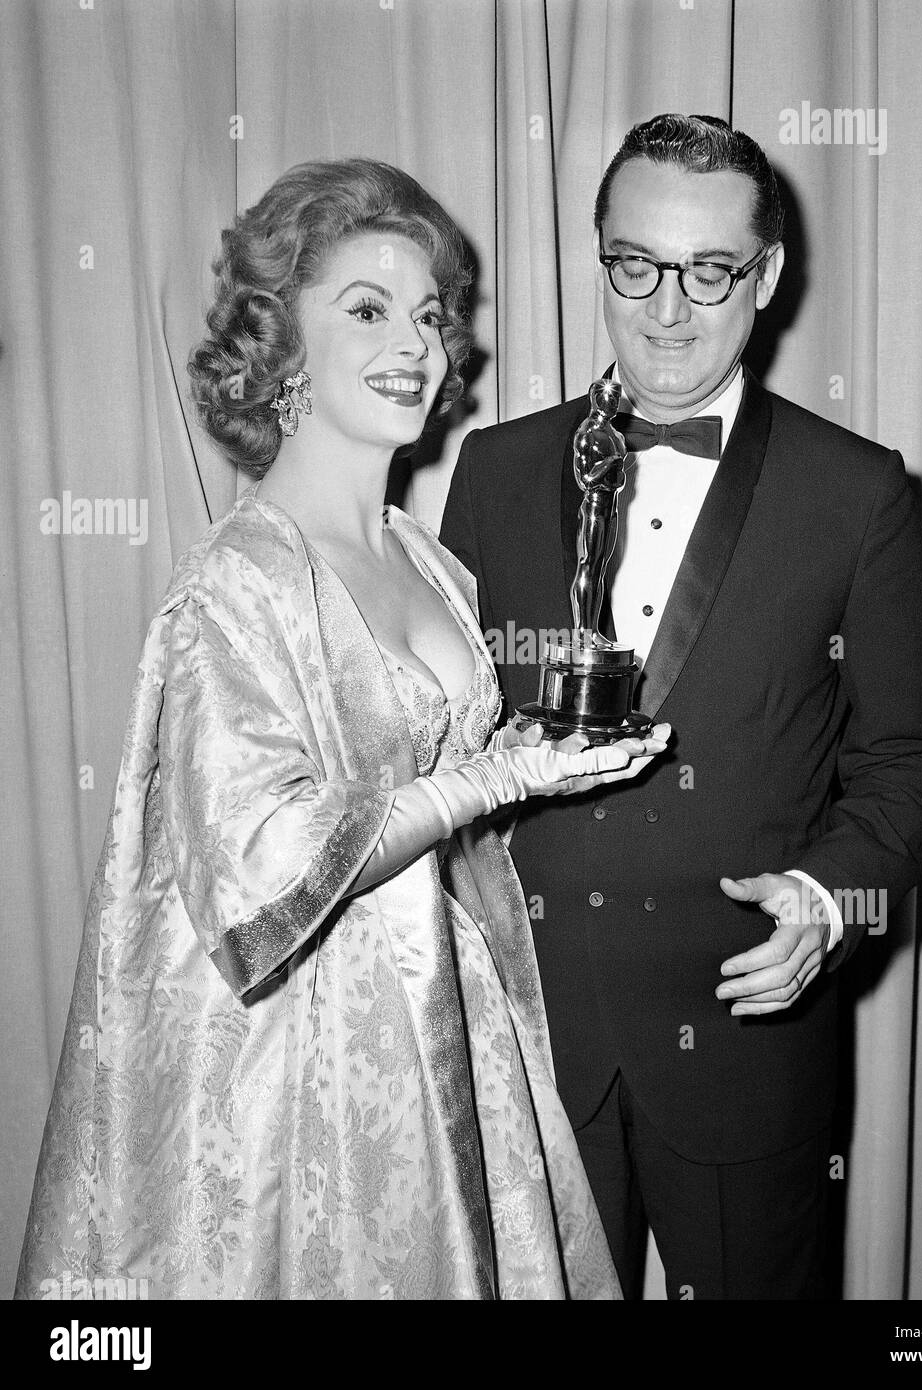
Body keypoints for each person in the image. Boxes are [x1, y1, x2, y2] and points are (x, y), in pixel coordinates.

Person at [15, 157, 668, 1301]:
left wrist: (544, 759)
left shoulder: (426, 558)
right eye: (365, 310)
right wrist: (492, 782)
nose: (415, 342)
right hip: (301, 1065)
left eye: (427, 314)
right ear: (279, 349)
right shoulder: (234, 585)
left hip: (453, 1027)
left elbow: (431, 757)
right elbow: (260, 865)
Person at [440, 114, 922, 1300]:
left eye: (709, 271)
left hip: (746, 1047)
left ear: (765, 276)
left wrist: (832, 896)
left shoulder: (859, 493)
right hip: (527, 1047)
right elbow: (443, 741)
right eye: (636, 265)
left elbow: (916, 765)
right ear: (600, 258)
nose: (666, 309)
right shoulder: (493, 470)